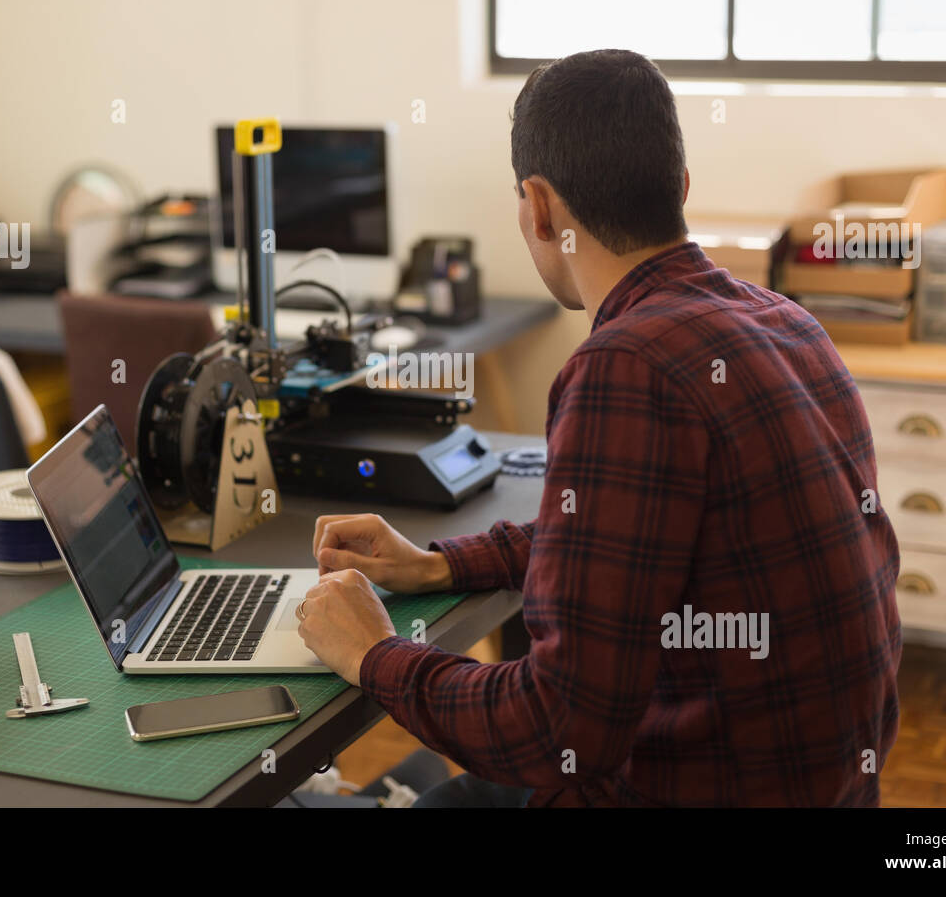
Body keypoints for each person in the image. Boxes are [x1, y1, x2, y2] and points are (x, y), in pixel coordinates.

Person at [294, 49, 902, 807]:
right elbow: (631, 542)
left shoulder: (627, 367)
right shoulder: (787, 323)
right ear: (679, 186)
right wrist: (442, 565)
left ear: (539, 207)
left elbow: (557, 736)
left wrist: (373, 653)